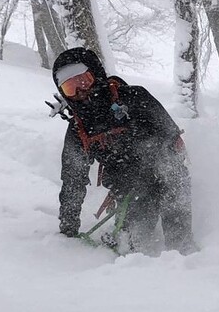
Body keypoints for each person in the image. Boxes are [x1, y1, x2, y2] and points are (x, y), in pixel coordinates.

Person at [50, 47, 196, 254]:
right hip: (129, 189)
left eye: (84, 81)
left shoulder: (134, 98)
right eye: (70, 88)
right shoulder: (79, 128)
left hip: (164, 174)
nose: (81, 91)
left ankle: (184, 253)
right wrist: (68, 225)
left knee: (175, 205)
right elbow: (73, 178)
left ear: (97, 74)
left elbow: (171, 135)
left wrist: (161, 167)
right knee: (135, 242)